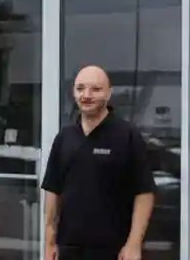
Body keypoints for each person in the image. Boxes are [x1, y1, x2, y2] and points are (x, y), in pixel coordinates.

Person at [40, 65, 156, 260]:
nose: (86, 95)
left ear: (109, 93)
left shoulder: (127, 135)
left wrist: (134, 244)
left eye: (96, 89)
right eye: (80, 88)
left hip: (113, 249)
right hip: (69, 247)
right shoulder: (64, 137)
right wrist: (50, 241)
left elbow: (144, 193)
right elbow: (53, 190)